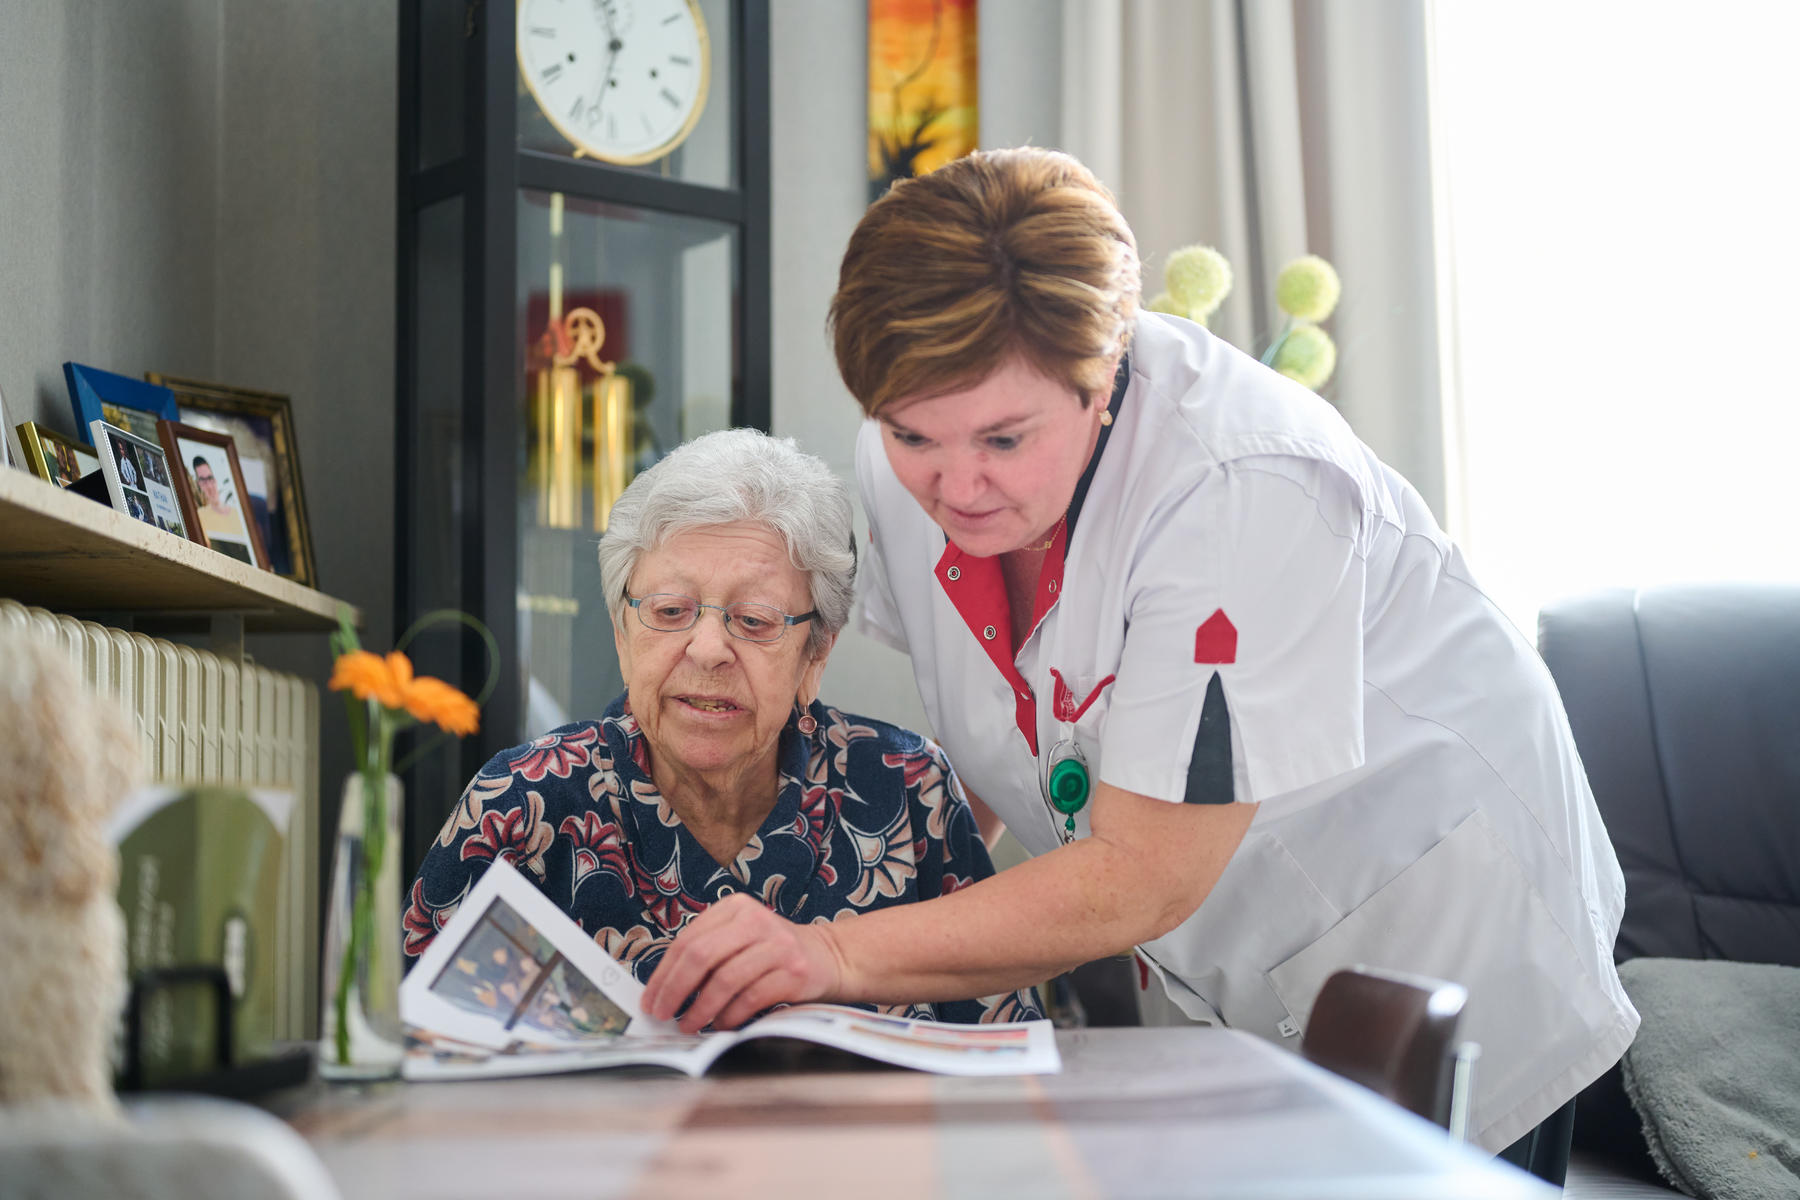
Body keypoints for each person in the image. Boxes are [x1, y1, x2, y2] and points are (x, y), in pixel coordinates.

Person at [641, 147, 1636, 1182]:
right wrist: (839, 894)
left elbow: (1141, 874)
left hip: (1431, 917)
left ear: (1103, 368)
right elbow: (995, 736)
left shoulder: (1242, 486)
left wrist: (838, 953)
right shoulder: (910, 456)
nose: (956, 483)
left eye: (1005, 438)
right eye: (912, 435)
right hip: (1227, 949)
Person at [404, 428, 1040, 1026]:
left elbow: (1001, 1054)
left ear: (814, 656)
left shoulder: (908, 790)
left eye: (756, 620)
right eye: (671, 610)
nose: (707, 649)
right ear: (622, 637)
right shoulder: (522, 805)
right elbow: (426, 1055)